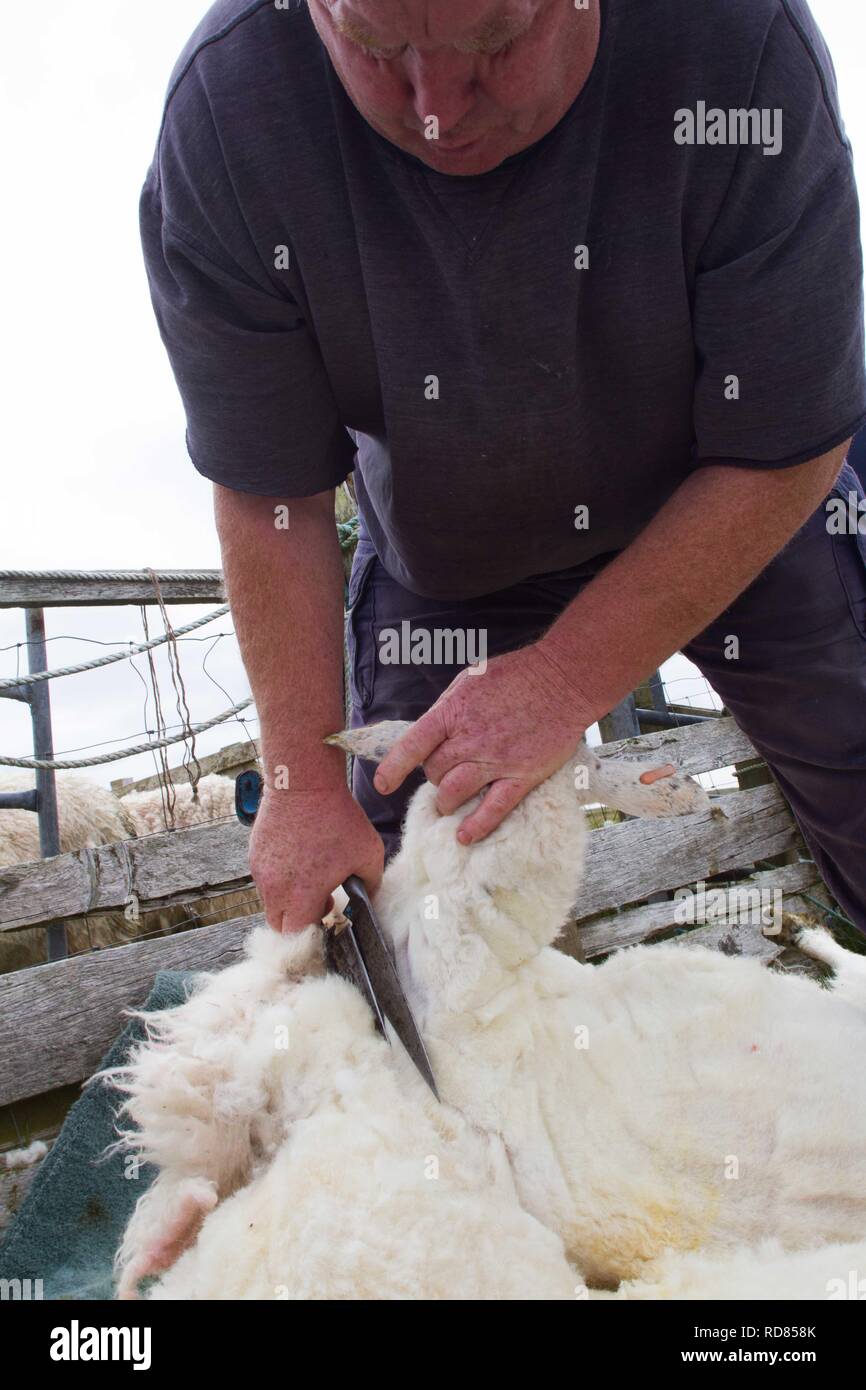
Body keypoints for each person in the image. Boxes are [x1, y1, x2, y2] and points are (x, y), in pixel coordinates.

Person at [141, 0, 866, 934]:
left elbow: (789, 440)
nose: (435, 104)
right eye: (373, 44)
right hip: (453, 559)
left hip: (733, 498)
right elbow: (270, 490)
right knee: (407, 897)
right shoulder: (228, 115)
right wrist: (303, 779)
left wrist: (565, 682)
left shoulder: (739, 40)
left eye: (497, 41)